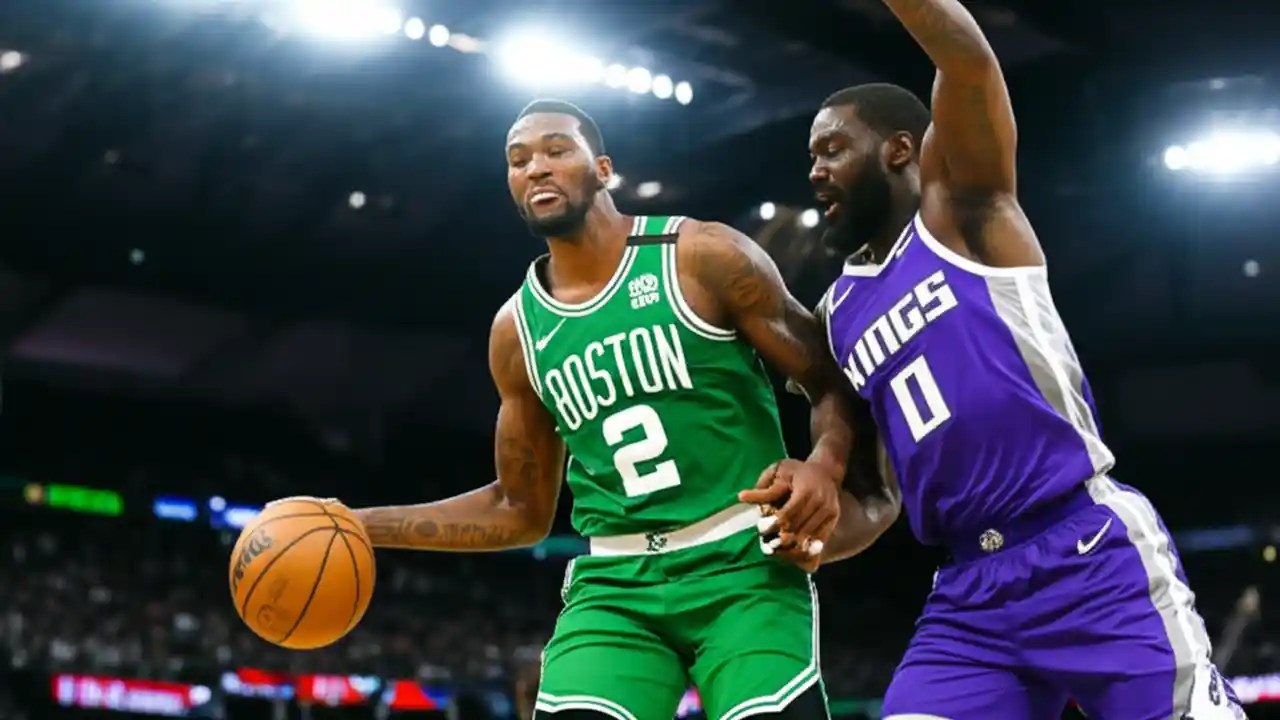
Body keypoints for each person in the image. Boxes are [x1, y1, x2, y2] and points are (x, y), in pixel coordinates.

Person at [282, 99, 860, 720]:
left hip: (744, 560)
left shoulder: (701, 255)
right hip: (615, 584)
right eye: (518, 160)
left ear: (603, 169)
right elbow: (519, 509)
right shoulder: (518, 330)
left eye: (556, 150)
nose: (536, 167)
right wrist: (354, 523)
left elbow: (831, 380)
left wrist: (824, 465)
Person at [749, 1, 1248, 719]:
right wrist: (815, 537)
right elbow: (877, 497)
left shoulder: (965, 213)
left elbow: (968, 63)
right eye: (811, 158)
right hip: (969, 594)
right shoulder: (837, 314)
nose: (815, 172)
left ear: (899, 149)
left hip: (1084, 546)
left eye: (831, 150)